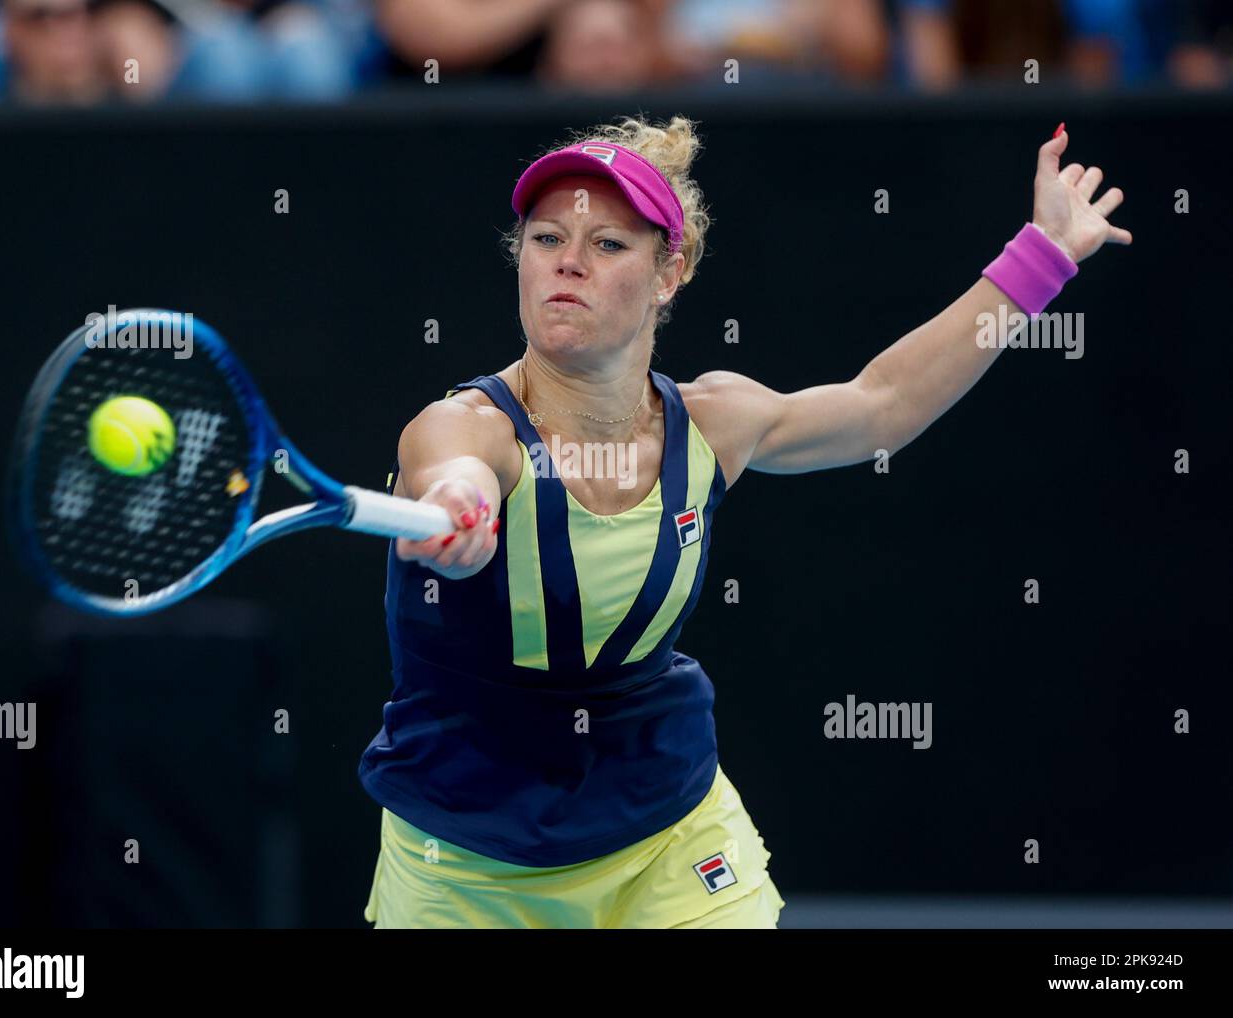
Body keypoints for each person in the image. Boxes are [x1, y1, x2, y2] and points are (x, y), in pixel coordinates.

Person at [358, 114, 1131, 929]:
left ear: (670, 271)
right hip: (464, 861)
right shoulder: (463, 426)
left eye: (610, 246)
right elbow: (450, 472)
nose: (569, 262)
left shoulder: (718, 421)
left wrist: (1041, 256)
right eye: (547, 238)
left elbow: (881, 406)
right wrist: (455, 512)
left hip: (667, 833)